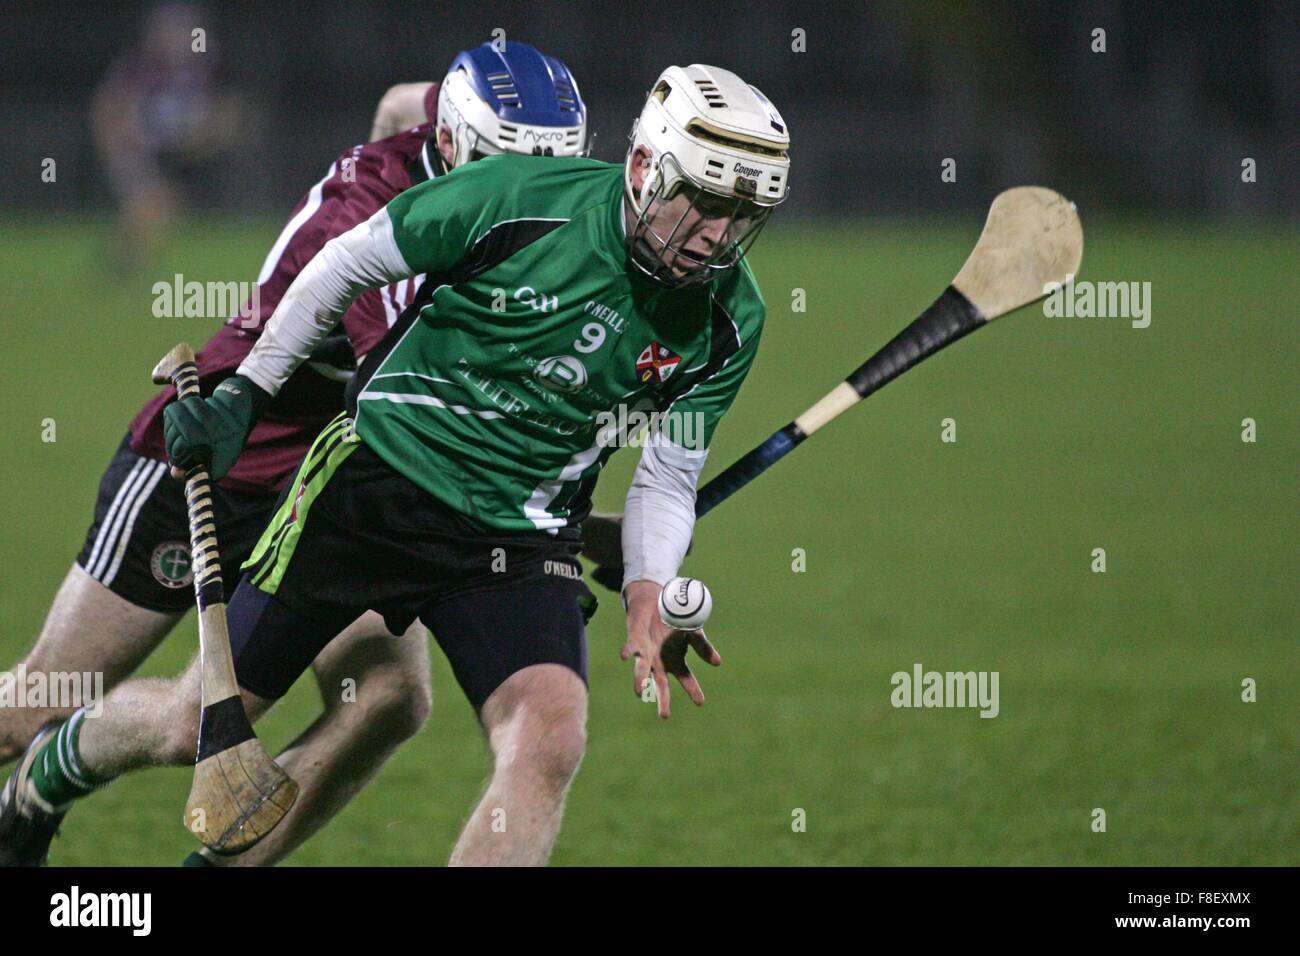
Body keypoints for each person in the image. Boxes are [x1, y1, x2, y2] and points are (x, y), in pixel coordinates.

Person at [2, 63, 791, 867]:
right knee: (191, 723)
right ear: (642, 168)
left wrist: (648, 588)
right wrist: (246, 392)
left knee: (535, 737)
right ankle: (39, 776)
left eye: (745, 217)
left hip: (517, 543)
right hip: (371, 489)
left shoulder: (733, 316)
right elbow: (344, 267)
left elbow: (668, 472)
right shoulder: (508, 199)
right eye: (706, 201)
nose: (716, 237)